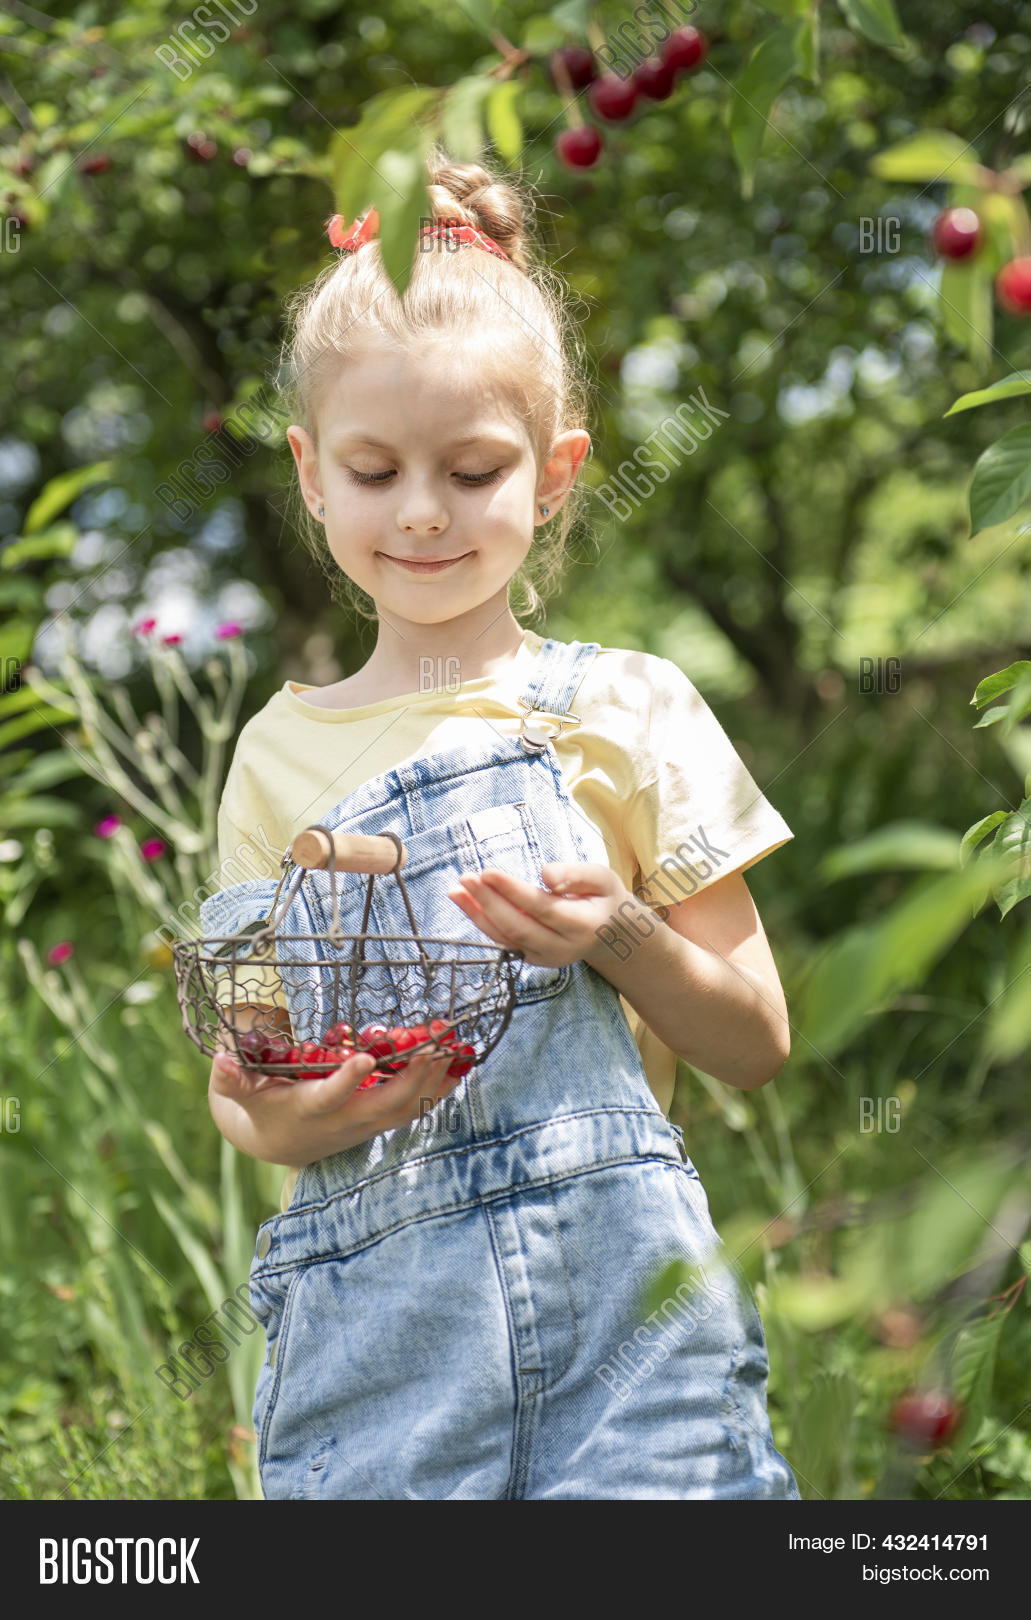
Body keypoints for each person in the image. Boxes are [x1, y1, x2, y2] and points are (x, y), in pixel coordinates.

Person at [200, 147, 802, 1501]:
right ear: (309, 471)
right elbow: (246, 1077)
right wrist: (302, 1116)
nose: (421, 511)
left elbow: (755, 1041)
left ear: (556, 471)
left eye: (474, 470)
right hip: (379, 1348)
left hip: (631, 1337)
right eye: (373, 469)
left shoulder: (625, 708)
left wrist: (624, 934)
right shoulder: (272, 761)